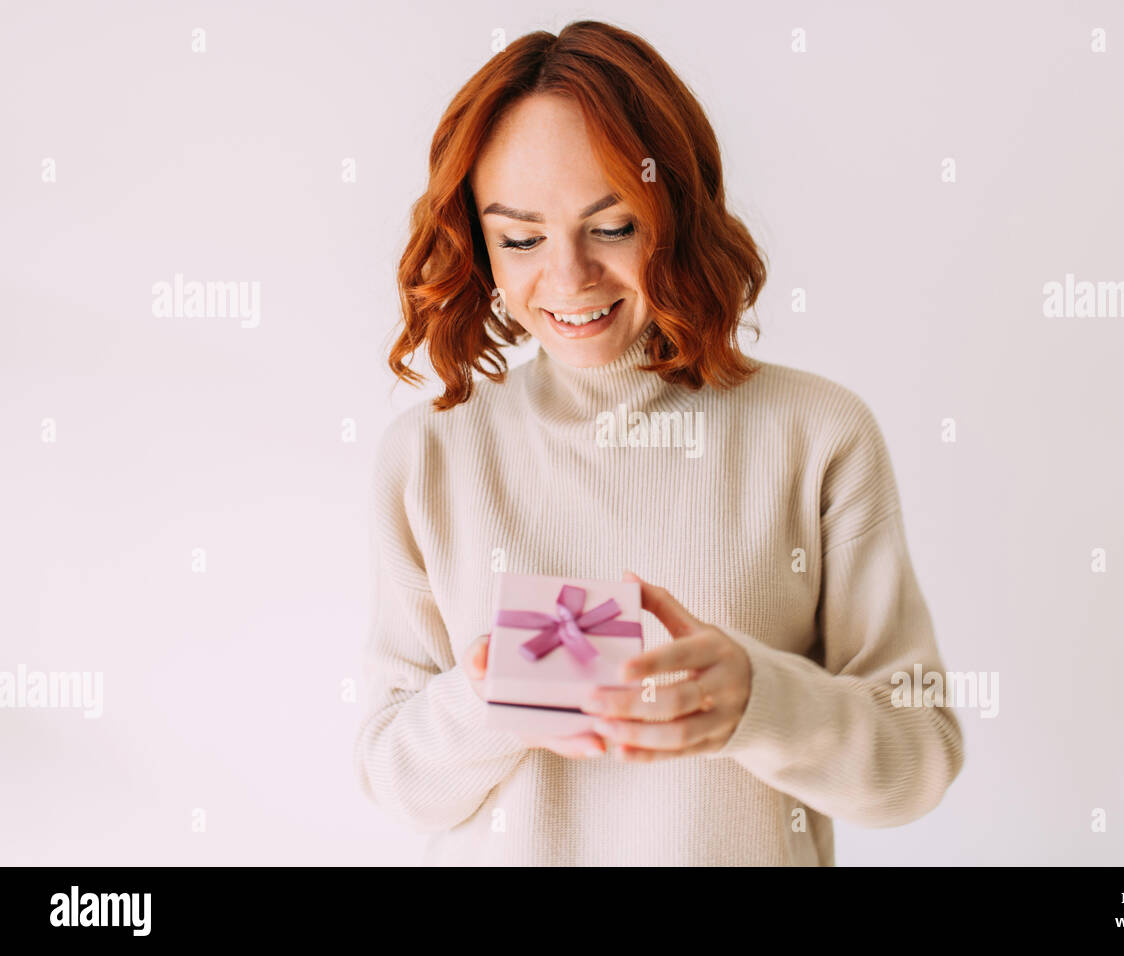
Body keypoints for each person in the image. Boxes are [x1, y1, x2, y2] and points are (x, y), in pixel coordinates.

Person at [353, 19, 964, 866]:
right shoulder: (428, 458)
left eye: (611, 227)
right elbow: (392, 775)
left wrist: (759, 699)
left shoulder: (818, 434)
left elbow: (919, 756)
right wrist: (491, 695)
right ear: (477, 243)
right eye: (521, 238)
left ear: (673, 209)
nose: (567, 278)